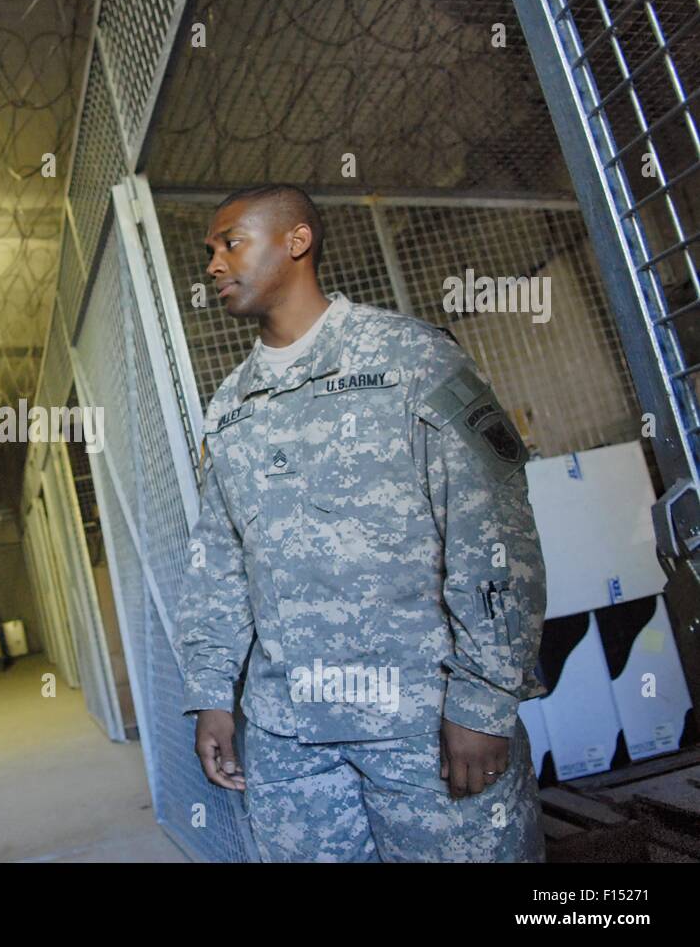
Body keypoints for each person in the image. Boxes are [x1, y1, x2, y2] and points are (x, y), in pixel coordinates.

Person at [176, 183, 546, 862]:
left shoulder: (410, 359)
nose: (213, 266)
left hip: (422, 725)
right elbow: (219, 562)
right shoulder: (230, 407)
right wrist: (211, 695)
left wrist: (487, 700)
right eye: (210, 252)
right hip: (289, 742)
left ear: (296, 241)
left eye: (230, 244)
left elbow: (494, 535)